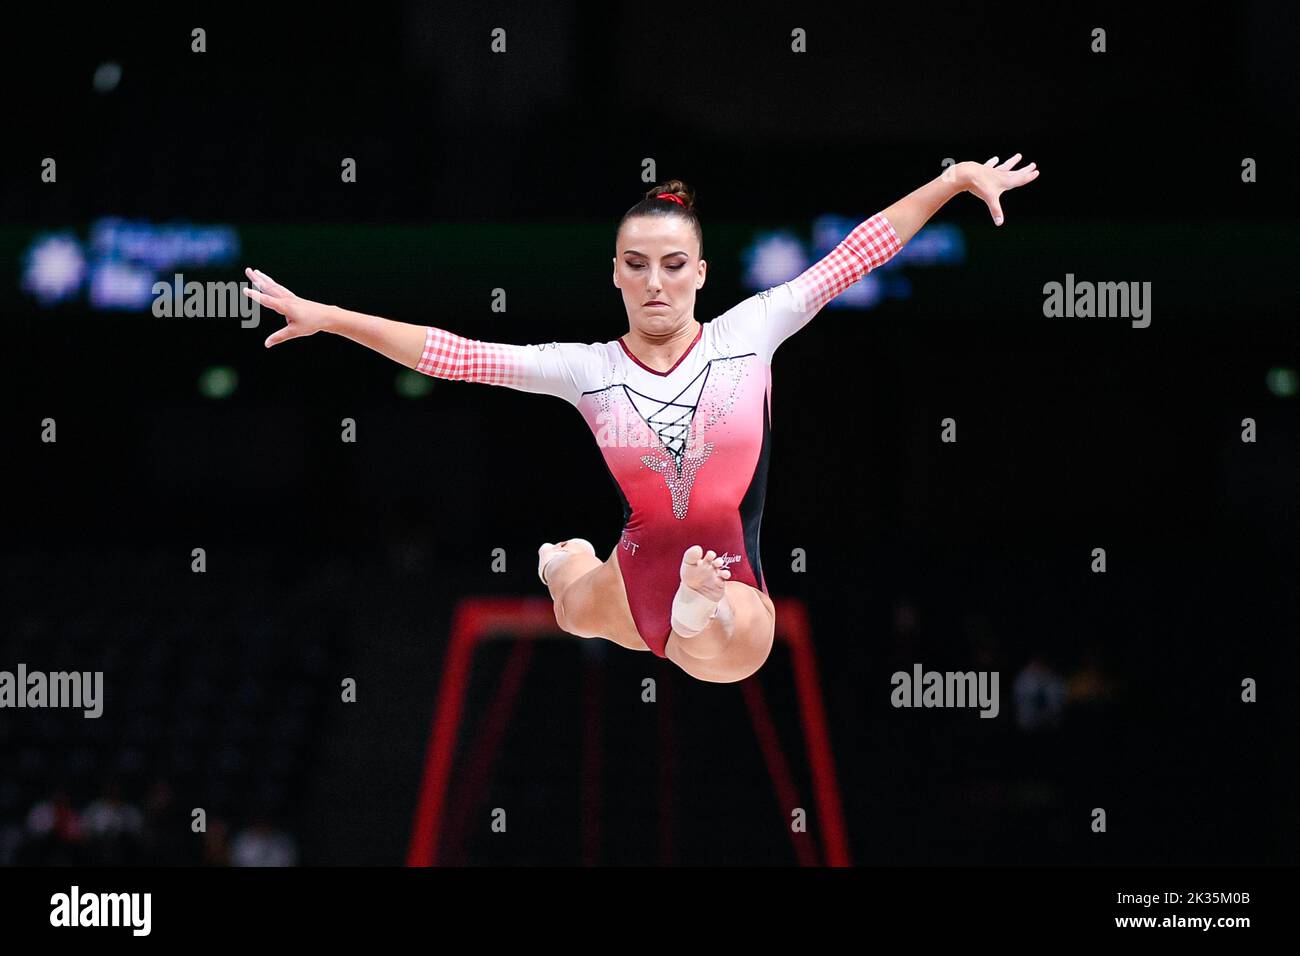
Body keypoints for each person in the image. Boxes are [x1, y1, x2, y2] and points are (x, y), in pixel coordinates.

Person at [244, 155, 1038, 682]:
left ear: (700, 272)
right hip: (634, 579)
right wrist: (333, 316)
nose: (654, 282)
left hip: (727, 584)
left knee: (730, 650)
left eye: (671, 265)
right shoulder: (587, 370)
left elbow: (860, 253)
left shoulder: (750, 332)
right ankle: (569, 564)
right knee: (570, 603)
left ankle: (682, 598)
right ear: (616, 275)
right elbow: (453, 354)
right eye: (636, 265)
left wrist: (956, 182)